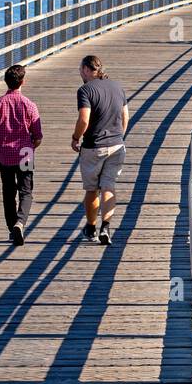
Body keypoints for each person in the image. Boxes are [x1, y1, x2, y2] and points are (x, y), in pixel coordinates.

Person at [71, 55, 129, 245]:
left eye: (81, 70)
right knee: (108, 186)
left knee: (91, 189)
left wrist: (75, 137)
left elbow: (84, 120)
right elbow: (125, 116)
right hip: (116, 145)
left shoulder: (85, 90)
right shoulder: (117, 87)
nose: (80, 73)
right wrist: (119, 136)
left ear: (87, 70)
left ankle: (90, 227)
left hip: (93, 147)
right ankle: (106, 226)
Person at [0, 64, 43, 245]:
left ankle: (12, 228)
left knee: (8, 192)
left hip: (5, 155)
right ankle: (20, 222)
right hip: (25, 153)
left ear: (6, 82)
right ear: (22, 82)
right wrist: (33, 146)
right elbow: (38, 135)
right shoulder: (30, 105)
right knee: (26, 191)